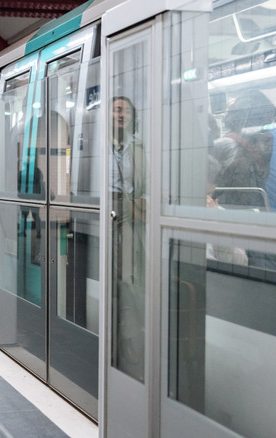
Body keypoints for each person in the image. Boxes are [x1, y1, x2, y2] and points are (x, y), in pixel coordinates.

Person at [110, 96, 146, 381]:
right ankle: (112, 337)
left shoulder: (139, 148)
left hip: (129, 213)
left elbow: (145, 183)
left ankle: (128, 339)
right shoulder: (97, 146)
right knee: (109, 278)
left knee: (128, 280)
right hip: (103, 212)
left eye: (126, 110)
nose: (120, 114)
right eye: (116, 109)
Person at [210, 90, 276, 208]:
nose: (268, 127)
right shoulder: (226, 144)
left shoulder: (261, 143)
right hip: (229, 211)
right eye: (266, 121)